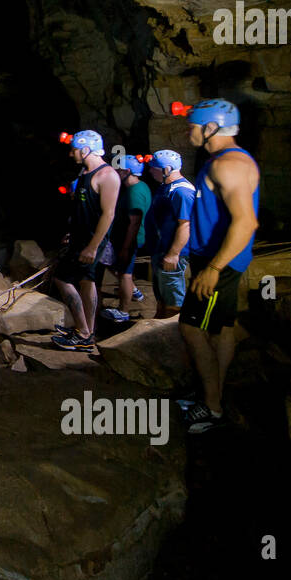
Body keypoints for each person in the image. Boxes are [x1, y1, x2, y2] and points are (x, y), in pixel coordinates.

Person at [176, 100, 260, 434]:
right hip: (220, 259)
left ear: (211, 128)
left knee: (191, 328)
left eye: (193, 125)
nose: (189, 131)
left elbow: (246, 222)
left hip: (219, 264)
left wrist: (212, 268)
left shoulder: (228, 166)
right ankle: (213, 392)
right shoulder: (222, 161)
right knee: (222, 328)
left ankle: (211, 407)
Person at [51, 130, 120, 352]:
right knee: (87, 283)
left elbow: (108, 214)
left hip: (91, 242)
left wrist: (92, 246)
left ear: (86, 149)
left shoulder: (107, 176)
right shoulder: (85, 174)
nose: (71, 154)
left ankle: (82, 332)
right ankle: (87, 333)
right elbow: (83, 209)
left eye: (74, 149)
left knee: (62, 278)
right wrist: (72, 232)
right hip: (81, 239)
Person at [144, 149, 195, 319]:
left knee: (173, 298)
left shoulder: (182, 192)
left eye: (154, 168)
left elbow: (185, 225)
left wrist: (173, 254)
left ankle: (173, 332)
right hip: (160, 250)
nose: (150, 171)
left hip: (172, 254)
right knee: (161, 295)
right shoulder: (166, 187)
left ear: (166, 170)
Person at [101, 155, 151, 323]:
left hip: (129, 240)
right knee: (114, 266)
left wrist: (126, 247)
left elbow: (134, 222)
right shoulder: (139, 187)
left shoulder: (134, 193)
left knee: (125, 275)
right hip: (126, 238)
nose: (114, 171)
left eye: (118, 169)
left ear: (126, 171)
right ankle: (134, 291)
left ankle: (124, 311)